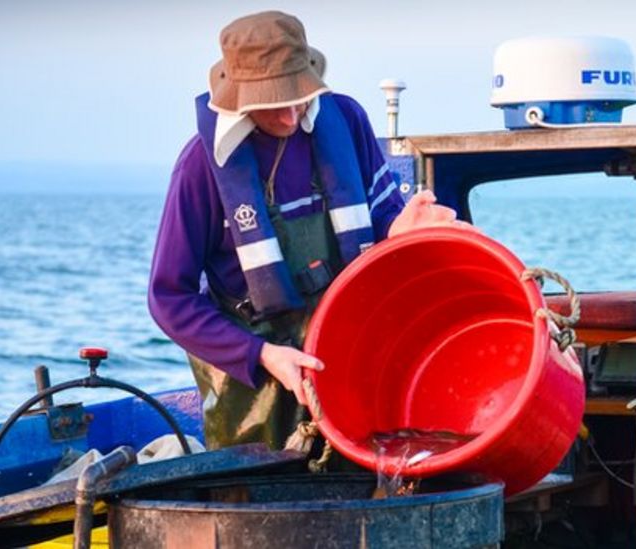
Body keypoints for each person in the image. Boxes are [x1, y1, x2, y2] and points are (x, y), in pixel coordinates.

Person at [148, 11, 455, 450]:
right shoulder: (200, 166)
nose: (292, 117)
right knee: (255, 499)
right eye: (276, 103)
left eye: (300, 98)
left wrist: (401, 226)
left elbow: (384, 211)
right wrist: (262, 356)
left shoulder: (345, 120)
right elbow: (168, 298)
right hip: (251, 370)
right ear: (240, 99)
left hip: (344, 346)